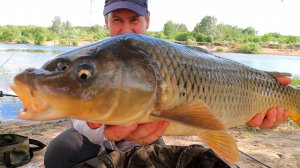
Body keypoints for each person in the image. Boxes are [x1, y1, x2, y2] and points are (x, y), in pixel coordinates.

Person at [44, 0, 290, 167]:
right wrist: (105, 128)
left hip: (148, 137)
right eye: (117, 20)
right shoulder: (98, 56)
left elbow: (208, 118)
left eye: (134, 20)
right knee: (62, 150)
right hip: (95, 145)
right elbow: (77, 117)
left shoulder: (162, 55)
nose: (125, 28)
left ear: (147, 19)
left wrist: (264, 106)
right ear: (106, 21)